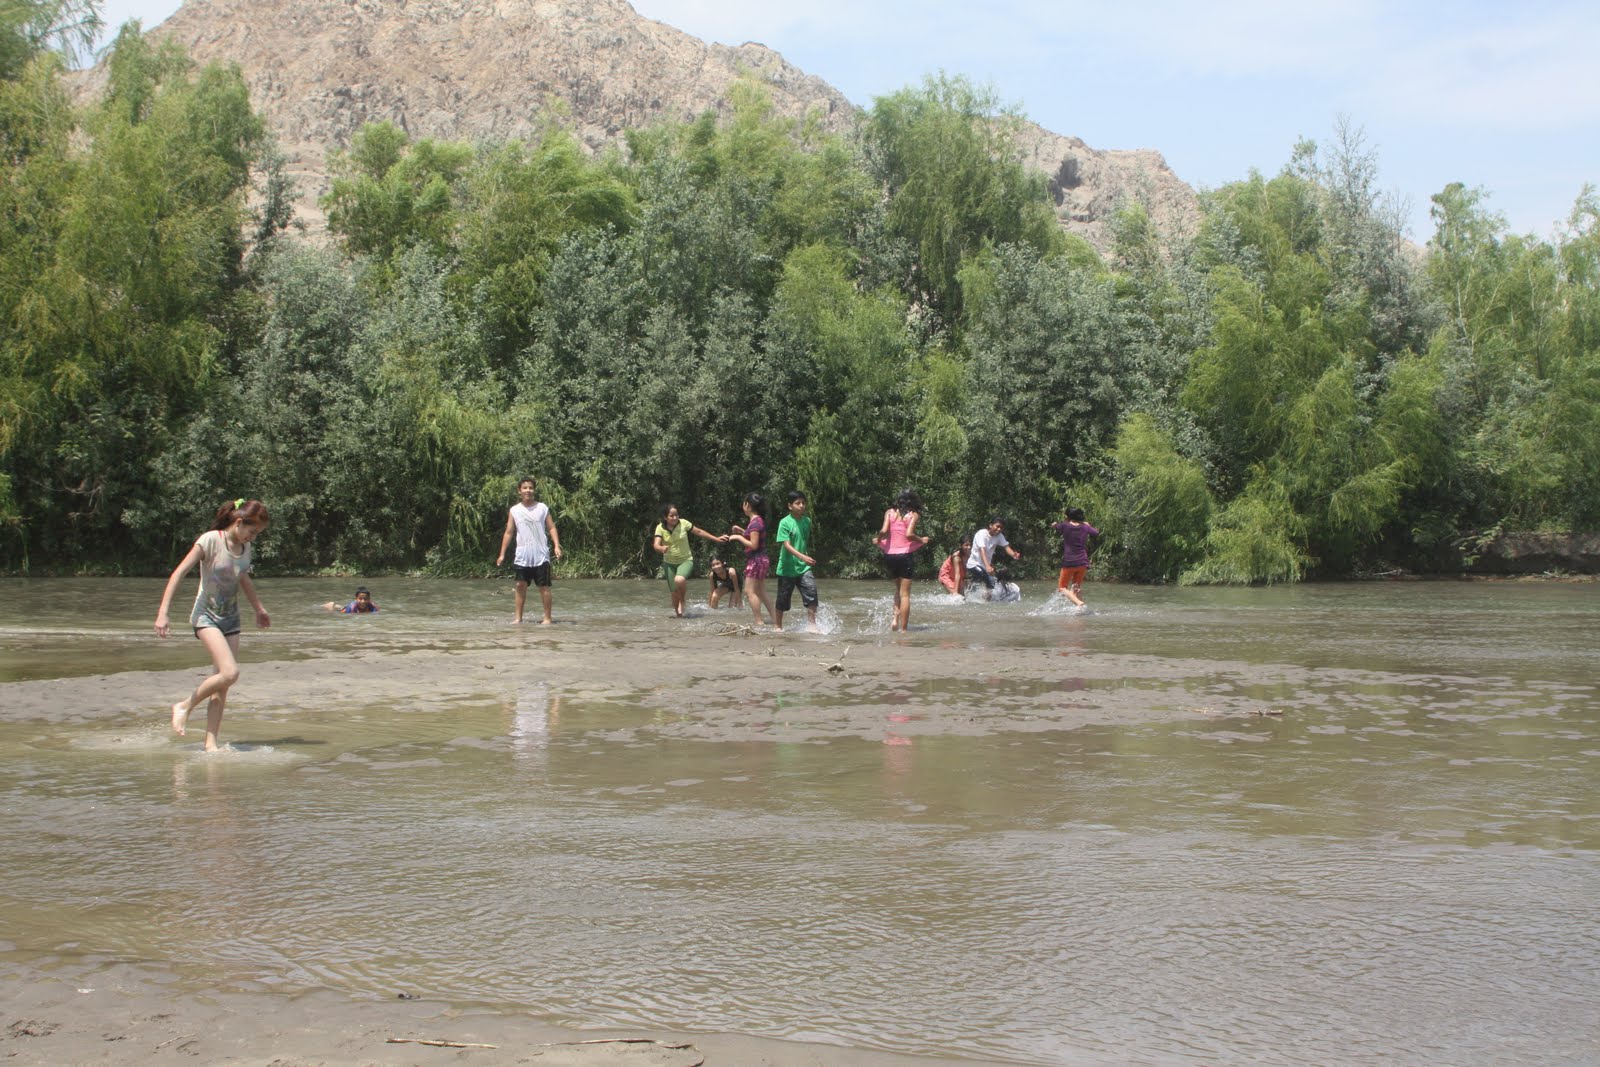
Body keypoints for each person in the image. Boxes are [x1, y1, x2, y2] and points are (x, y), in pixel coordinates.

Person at [153, 499, 271, 752]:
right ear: (239, 522)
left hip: (231, 619)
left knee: (222, 686)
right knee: (230, 673)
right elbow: (179, 573)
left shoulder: (245, 547)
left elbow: (242, 577)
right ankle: (184, 705)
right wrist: (163, 612)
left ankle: (211, 744)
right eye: (253, 531)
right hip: (205, 617)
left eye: (258, 533)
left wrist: (258, 608)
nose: (254, 537)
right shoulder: (210, 540)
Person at [496, 477, 563, 624]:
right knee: (520, 585)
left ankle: (547, 618)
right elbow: (509, 532)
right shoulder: (515, 510)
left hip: (541, 555)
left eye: (530, 488)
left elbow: (551, 527)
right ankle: (518, 618)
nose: (528, 490)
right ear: (519, 491)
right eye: (525, 488)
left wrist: (557, 546)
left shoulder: (542, 508)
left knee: (543, 586)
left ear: (534, 490)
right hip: (522, 555)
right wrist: (502, 554)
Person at [653, 503, 725, 618]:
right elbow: (656, 544)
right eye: (671, 516)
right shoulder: (660, 528)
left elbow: (699, 532)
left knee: (679, 579)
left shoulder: (683, 523)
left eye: (676, 515)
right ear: (665, 517)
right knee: (674, 594)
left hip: (685, 560)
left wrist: (716, 538)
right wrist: (661, 548)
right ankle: (679, 618)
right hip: (669, 563)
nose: (675, 518)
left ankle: (683, 601)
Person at [877, 489, 930, 632]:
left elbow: (883, 531)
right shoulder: (913, 515)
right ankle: (904, 630)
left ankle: (895, 620)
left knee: (898, 589)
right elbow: (909, 534)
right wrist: (922, 540)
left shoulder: (889, 512)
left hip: (890, 555)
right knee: (905, 594)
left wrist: (879, 539)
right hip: (904, 555)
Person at [727, 492, 776, 628]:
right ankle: (776, 620)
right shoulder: (757, 521)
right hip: (761, 559)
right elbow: (755, 538)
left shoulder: (755, 522)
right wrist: (743, 532)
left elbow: (753, 545)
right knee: (761, 592)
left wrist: (738, 538)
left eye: (744, 503)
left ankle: (759, 622)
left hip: (756, 560)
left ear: (747, 505)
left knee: (749, 592)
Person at [774, 490, 819, 632]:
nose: (801, 506)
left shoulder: (807, 521)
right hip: (787, 568)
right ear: (790, 506)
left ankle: (812, 625)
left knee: (812, 593)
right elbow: (786, 545)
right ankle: (778, 627)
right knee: (782, 600)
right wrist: (802, 557)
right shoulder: (784, 522)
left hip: (803, 567)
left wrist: (804, 559)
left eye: (803, 503)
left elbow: (802, 541)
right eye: (797, 503)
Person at [1053, 507, 1100, 607]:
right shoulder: (1085, 527)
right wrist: (1088, 525)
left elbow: (1056, 526)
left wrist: (1054, 525)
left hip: (1069, 562)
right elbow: (1096, 533)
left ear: (1068, 517)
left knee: (1062, 588)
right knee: (1076, 587)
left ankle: (1079, 603)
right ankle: (1081, 612)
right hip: (1083, 562)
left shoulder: (1065, 525)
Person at [966, 516, 1021, 600]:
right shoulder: (982, 534)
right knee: (990, 582)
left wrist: (1014, 555)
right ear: (991, 525)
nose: (999, 529)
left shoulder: (999, 536)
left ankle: (974, 597)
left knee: (980, 583)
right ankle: (979, 598)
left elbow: (1006, 547)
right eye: (997, 526)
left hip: (984, 566)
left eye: (1001, 528)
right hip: (974, 564)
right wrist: (988, 566)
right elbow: (982, 551)